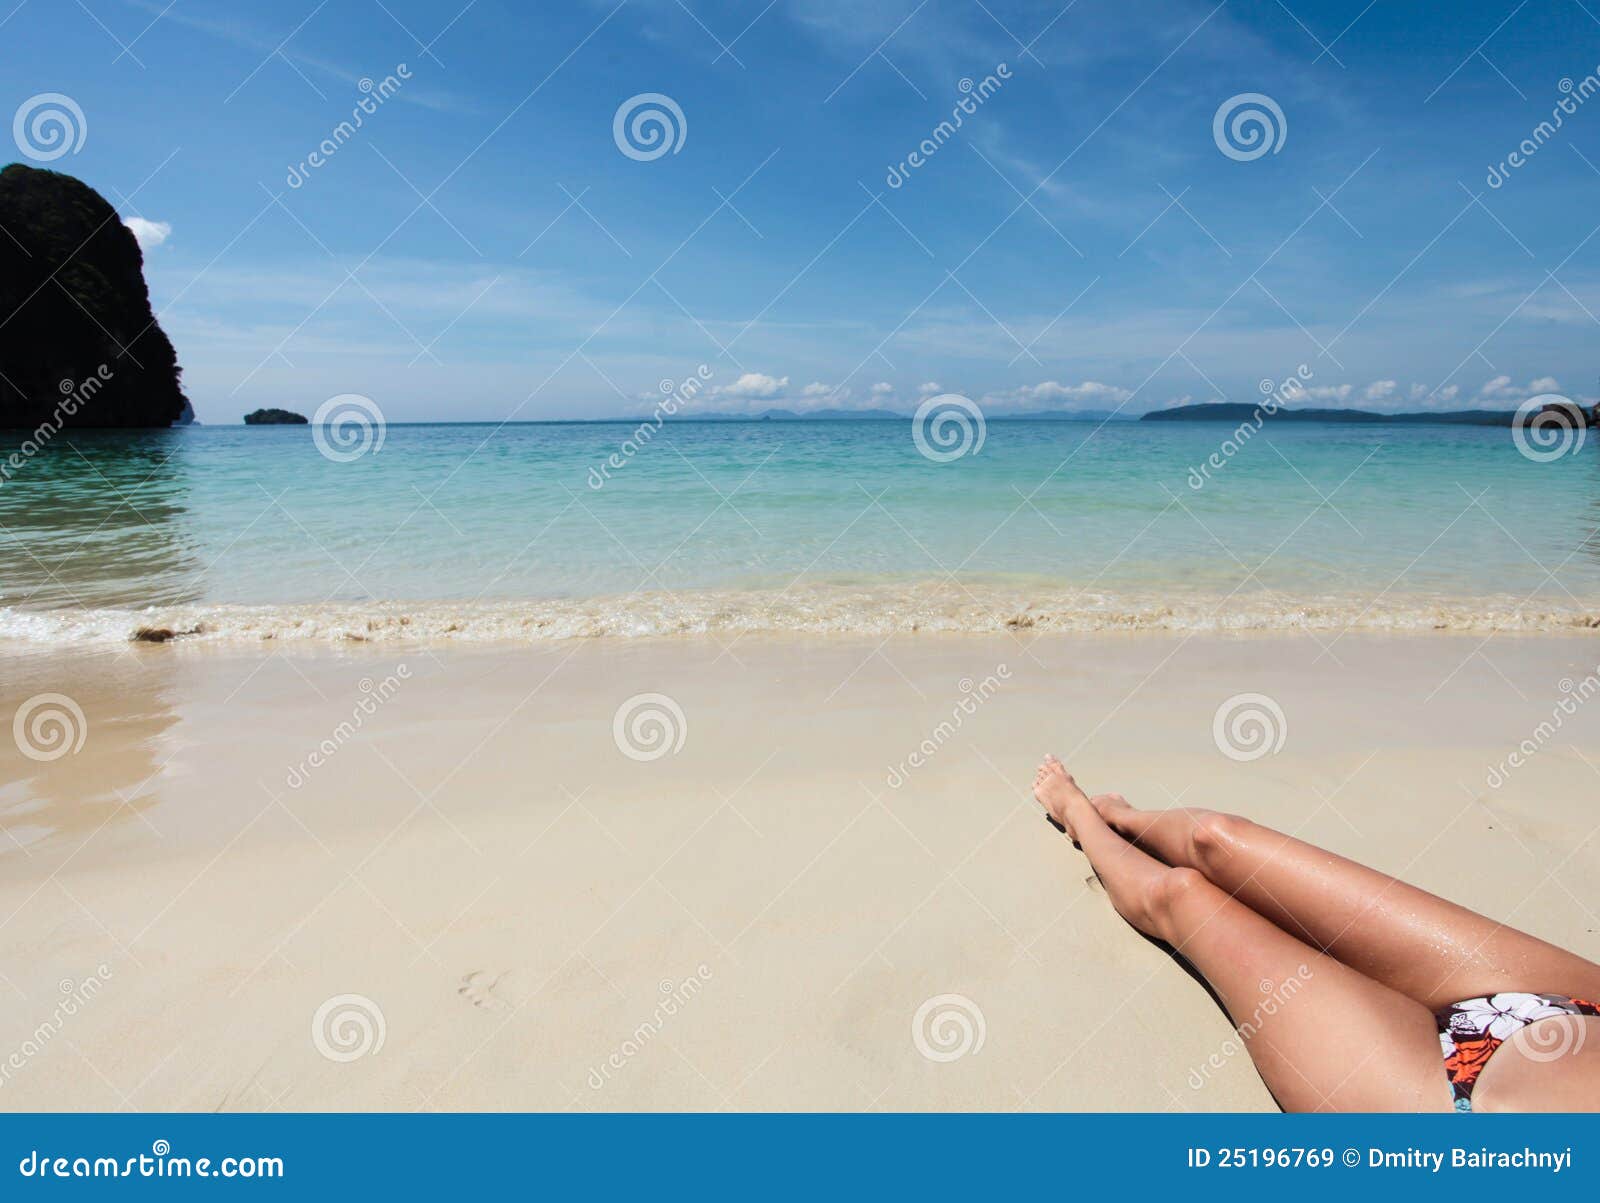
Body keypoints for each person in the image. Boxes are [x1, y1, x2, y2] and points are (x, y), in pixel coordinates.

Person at [1032, 755, 1600, 1112]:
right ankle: (1128, 819)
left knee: (1183, 896)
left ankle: (1080, 815)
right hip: (1581, 1007)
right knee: (1219, 838)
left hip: (1447, 1106)